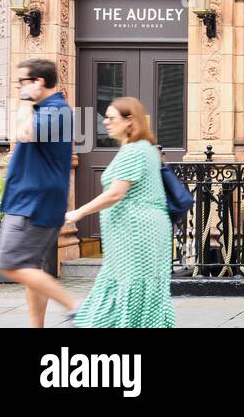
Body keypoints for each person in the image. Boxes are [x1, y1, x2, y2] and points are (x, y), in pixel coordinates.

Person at [64, 97, 175, 328]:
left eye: (111, 117)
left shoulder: (134, 151)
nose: (105, 122)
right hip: (136, 231)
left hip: (137, 232)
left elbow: (115, 194)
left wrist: (78, 213)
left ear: (130, 121)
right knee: (131, 282)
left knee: (131, 282)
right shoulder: (141, 148)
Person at [0, 59, 78, 328]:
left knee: (10, 265)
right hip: (33, 199)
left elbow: (25, 134)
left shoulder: (54, 110)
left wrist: (26, 102)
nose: (19, 88)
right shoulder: (48, 110)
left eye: (22, 82)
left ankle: (76, 306)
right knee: (31, 268)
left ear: (38, 82)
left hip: (33, 202)